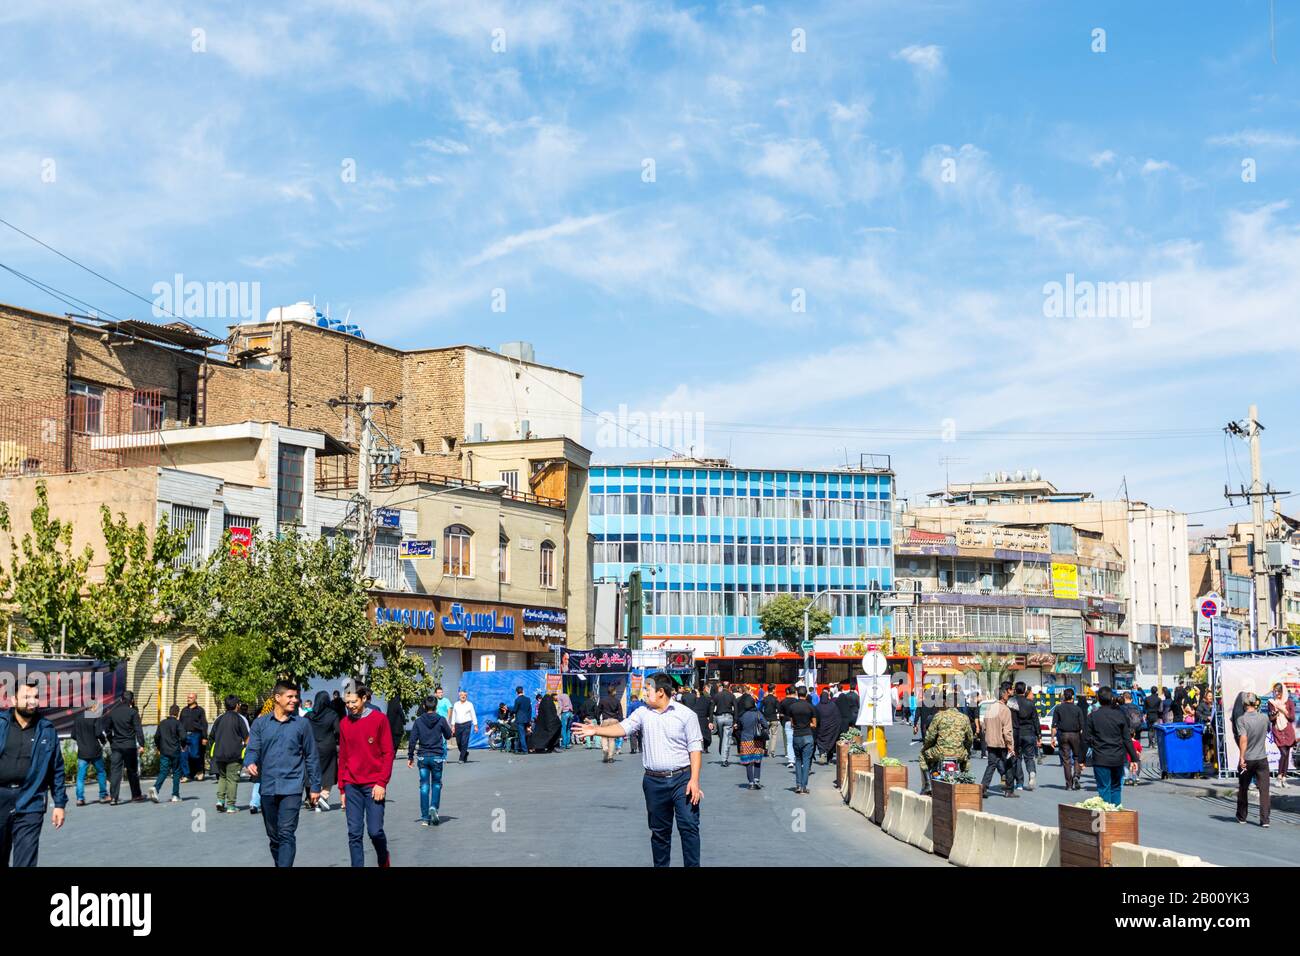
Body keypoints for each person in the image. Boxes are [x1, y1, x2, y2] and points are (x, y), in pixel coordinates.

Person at [572, 672, 703, 867]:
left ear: (660, 692)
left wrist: (694, 780)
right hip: (653, 782)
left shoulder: (686, 715)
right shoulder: (643, 713)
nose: (644, 694)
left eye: (647, 690)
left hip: (682, 780)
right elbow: (622, 728)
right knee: (659, 832)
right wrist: (596, 730)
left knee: (689, 828)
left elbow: (695, 748)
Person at [244, 680, 321, 867]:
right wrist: (250, 761)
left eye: (296, 696)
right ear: (277, 698)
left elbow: (312, 756)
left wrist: (315, 787)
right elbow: (253, 748)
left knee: (286, 833)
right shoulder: (261, 724)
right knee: (274, 836)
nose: (295, 700)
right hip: (268, 787)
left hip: (292, 787)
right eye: (290, 696)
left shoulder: (302, 725)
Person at [0, 677, 67, 866]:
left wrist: (59, 804)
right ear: (13, 700)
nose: (32, 701)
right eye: (26, 696)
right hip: (1, 798)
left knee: (26, 861)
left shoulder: (46, 729)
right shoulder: (1, 724)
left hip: (30, 799)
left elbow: (57, 769)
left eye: (35, 697)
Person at [338, 684, 394, 866]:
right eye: (347, 702)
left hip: (373, 785)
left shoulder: (379, 720)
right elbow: (343, 756)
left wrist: (381, 783)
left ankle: (383, 857)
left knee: (375, 831)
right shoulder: (344, 723)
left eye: (354, 701)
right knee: (354, 833)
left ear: (364, 699)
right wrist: (342, 788)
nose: (350, 706)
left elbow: (388, 753)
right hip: (351, 785)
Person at [1081, 686, 1140, 807]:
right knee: (1116, 787)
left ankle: (1106, 817)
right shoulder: (1120, 715)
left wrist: (1081, 760)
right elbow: (1127, 739)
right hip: (1118, 758)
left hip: (1100, 758)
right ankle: (1116, 817)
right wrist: (1134, 759)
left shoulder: (1093, 716)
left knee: (1104, 788)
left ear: (1098, 699)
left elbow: (1085, 739)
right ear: (1112, 698)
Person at [408, 695, 454, 826]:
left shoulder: (418, 721)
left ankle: (424, 818)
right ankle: (433, 807)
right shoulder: (441, 719)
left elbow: (412, 740)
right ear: (436, 706)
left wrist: (410, 756)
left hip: (423, 757)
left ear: (424, 706)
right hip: (437, 757)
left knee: (424, 786)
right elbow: (448, 735)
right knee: (436, 784)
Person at [920, 686, 974, 794]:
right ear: (958, 704)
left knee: (922, 756)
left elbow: (930, 737)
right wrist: (966, 750)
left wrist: (925, 747)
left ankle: (928, 785)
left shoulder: (939, 716)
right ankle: (965, 782)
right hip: (959, 754)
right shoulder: (964, 718)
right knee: (967, 760)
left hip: (940, 752)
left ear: (946, 704)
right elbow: (970, 739)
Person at [1234, 692, 1271, 826]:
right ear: (1256, 703)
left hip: (1248, 759)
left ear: (1244, 704)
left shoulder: (1241, 720)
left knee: (1243, 787)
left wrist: (1242, 757)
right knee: (1264, 789)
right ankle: (1265, 819)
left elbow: (1243, 738)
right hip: (1262, 758)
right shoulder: (1264, 718)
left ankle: (1242, 816)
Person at [210, 695, 249, 813]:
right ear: (237, 705)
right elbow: (247, 737)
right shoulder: (240, 719)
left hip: (219, 753)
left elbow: (212, 735)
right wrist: (246, 749)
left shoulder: (219, 718)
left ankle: (220, 800)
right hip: (234, 754)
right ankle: (231, 805)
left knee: (222, 777)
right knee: (232, 779)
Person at [106, 690, 146, 804]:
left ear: (121, 699)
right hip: (129, 746)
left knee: (115, 772)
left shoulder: (113, 712)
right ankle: (136, 795)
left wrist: (111, 740)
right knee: (132, 771)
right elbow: (138, 729)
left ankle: (114, 797)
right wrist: (142, 744)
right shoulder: (133, 713)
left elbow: (107, 729)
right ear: (132, 700)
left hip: (117, 746)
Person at [980, 682, 1017, 799]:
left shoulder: (990, 708)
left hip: (991, 742)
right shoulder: (1005, 710)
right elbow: (1007, 731)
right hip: (1002, 743)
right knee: (1009, 766)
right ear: (1004, 694)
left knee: (991, 765)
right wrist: (1010, 746)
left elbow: (984, 725)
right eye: (1009, 692)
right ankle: (1009, 790)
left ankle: (984, 788)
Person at [305, 690, 339, 811]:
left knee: (312, 771)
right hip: (328, 747)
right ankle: (323, 796)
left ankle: (316, 800)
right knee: (329, 772)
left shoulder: (309, 715)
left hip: (311, 747)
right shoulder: (332, 714)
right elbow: (338, 731)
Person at [72, 700, 109, 806]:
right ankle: (103, 796)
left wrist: (81, 741)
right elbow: (98, 733)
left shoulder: (78, 718)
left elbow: (73, 735)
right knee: (101, 772)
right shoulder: (95, 717)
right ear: (92, 707)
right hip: (95, 751)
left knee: (80, 776)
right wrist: (104, 741)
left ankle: (80, 798)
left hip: (82, 752)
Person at [784, 685, 818, 794]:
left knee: (798, 760)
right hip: (807, 735)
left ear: (797, 694)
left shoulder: (792, 707)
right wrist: (807, 723)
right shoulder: (811, 707)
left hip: (797, 736)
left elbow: (792, 723)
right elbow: (814, 724)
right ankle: (804, 786)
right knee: (806, 761)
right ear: (806, 694)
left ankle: (798, 785)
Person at [1050, 688, 1085, 791]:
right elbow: (1082, 726)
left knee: (1066, 760)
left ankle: (1069, 784)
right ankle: (1076, 776)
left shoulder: (1058, 708)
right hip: (1075, 735)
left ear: (1064, 697)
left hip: (1063, 735)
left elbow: (1054, 726)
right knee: (1077, 757)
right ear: (1073, 697)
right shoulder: (1077, 709)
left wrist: (1052, 738)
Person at [149, 704, 185, 803]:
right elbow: (184, 737)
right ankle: (175, 795)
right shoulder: (178, 724)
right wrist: (183, 745)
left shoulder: (162, 723)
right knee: (177, 772)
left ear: (169, 712)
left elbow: (156, 737)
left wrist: (159, 747)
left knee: (163, 771)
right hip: (175, 751)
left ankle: (156, 788)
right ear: (177, 713)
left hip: (164, 751)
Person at [1007, 681, 1038, 791]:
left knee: (1017, 758)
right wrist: (1039, 735)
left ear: (1015, 690)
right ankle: (1032, 772)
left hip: (1016, 733)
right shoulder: (1030, 703)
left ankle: (1019, 783)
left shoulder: (1012, 701)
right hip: (1029, 733)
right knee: (1029, 757)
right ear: (1025, 690)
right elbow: (1035, 720)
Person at [737, 700, 769, 789]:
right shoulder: (758, 714)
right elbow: (765, 724)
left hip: (745, 740)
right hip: (757, 740)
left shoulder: (742, 715)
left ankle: (751, 783)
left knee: (748, 762)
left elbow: (739, 727)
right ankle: (756, 780)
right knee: (757, 761)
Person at [1267, 683, 1294, 787]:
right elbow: (1271, 719)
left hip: (1287, 730)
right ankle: (1279, 777)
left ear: (1283, 692)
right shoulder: (1271, 703)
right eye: (1275, 691)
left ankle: (1284, 778)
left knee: (1286, 754)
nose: (1276, 693)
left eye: (1278, 691)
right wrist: (1275, 713)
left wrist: (1283, 710)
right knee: (1283, 753)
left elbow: (1292, 718)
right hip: (1277, 730)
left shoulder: (1289, 702)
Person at [179, 692, 208, 782]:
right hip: (184, 735)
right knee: (183, 755)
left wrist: (204, 737)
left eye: (190, 698)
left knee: (194, 755)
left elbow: (204, 724)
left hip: (195, 735)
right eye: (188, 697)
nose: (188, 699)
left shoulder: (200, 710)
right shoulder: (184, 710)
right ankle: (186, 775)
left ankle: (199, 771)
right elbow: (180, 723)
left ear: (195, 699)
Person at [814, 691, 841, 766]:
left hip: (821, 729)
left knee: (820, 742)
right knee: (831, 742)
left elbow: (815, 718)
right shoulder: (833, 706)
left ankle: (822, 753)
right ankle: (829, 759)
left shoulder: (817, 707)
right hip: (831, 729)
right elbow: (837, 717)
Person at [597, 686, 623, 763]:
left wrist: (598, 721)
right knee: (612, 739)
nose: (616, 692)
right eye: (615, 691)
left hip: (605, 720)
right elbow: (620, 713)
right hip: (614, 720)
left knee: (604, 737)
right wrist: (620, 721)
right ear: (613, 692)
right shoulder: (617, 701)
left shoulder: (603, 701)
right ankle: (610, 757)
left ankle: (605, 749)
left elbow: (598, 711)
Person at [450, 689, 478, 762]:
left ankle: (461, 758)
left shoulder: (469, 704)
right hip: (457, 725)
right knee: (459, 742)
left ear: (466, 696)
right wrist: (452, 726)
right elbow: (453, 715)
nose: (463, 696)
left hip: (466, 724)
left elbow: (473, 715)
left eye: (464, 695)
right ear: (459, 696)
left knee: (464, 741)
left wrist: (475, 725)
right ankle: (465, 753)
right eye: (462, 695)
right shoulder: (456, 704)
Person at [712, 682, 736, 765]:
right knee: (727, 738)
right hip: (729, 717)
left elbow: (711, 708)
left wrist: (710, 721)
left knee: (721, 736)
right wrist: (735, 721)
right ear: (729, 687)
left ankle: (721, 750)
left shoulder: (717, 695)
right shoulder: (731, 696)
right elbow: (736, 708)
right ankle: (724, 759)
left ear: (722, 686)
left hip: (719, 718)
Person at [759, 687, 780, 757]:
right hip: (774, 718)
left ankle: (765, 750)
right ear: (773, 690)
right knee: (774, 735)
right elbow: (779, 708)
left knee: (766, 734)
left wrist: (763, 714)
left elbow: (760, 708)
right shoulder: (775, 699)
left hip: (766, 719)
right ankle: (772, 752)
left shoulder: (764, 699)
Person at [512, 687, 533, 756]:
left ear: (516, 692)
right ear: (523, 691)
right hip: (527, 719)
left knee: (521, 735)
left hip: (520, 719)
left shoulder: (517, 700)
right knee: (525, 734)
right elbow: (530, 710)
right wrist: (529, 719)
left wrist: (511, 712)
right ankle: (518, 748)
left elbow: (515, 710)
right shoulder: (528, 699)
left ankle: (524, 750)